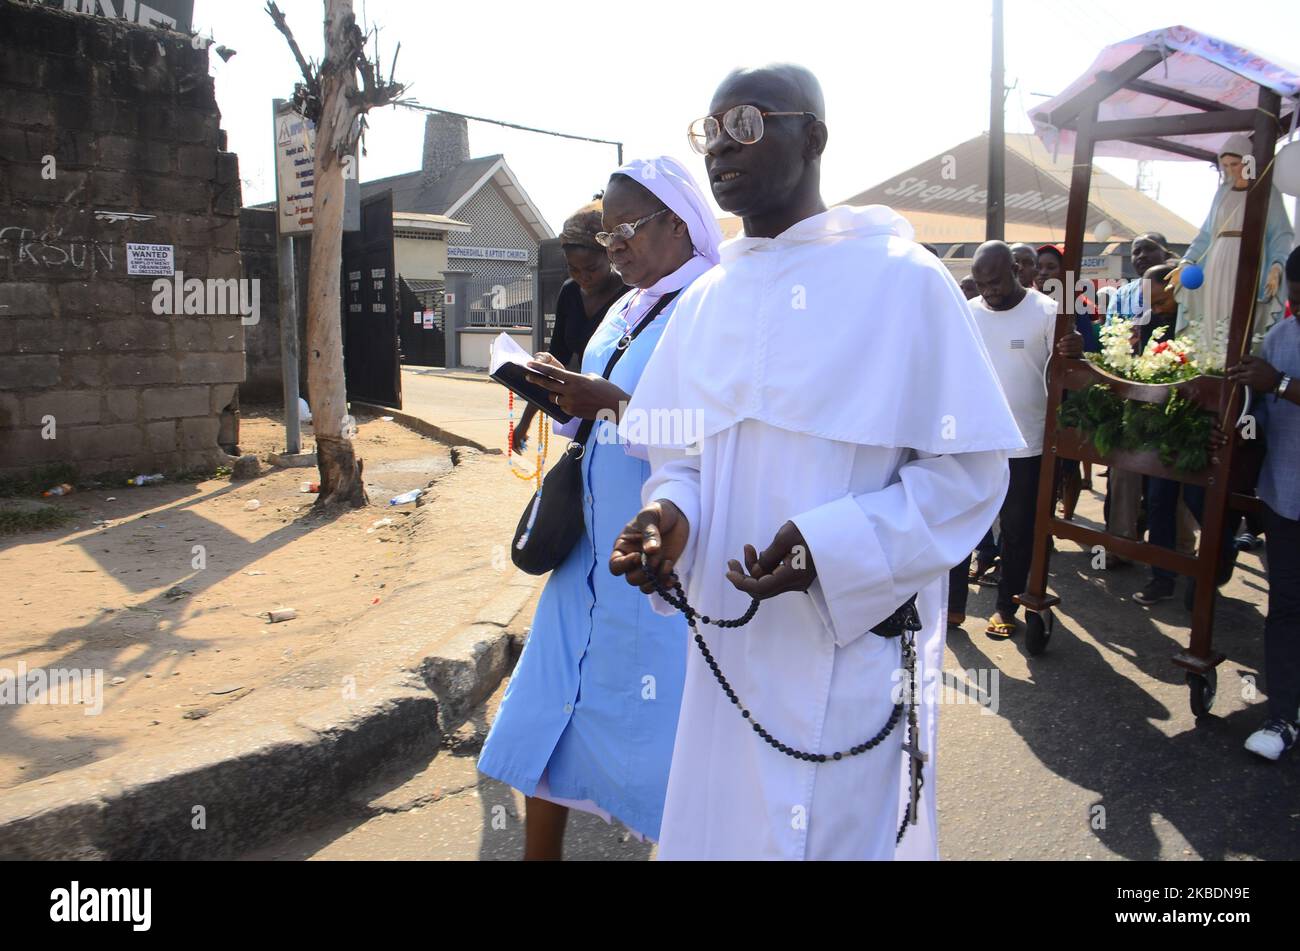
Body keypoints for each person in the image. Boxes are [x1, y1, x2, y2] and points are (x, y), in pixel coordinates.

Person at [608, 64, 1023, 860]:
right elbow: (682, 460)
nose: (721, 148)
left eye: (748, 125)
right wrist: (668, 517)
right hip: (730, 655)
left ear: (815, 138)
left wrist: (828, 548)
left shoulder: (905, 285)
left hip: (849, 646)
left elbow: (967, 478)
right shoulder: (705, 302)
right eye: (711, 131)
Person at [477, 156, 723, 856]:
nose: (613, 246)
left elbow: (713, 440)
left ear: (679, 223)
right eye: (606, 232)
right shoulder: (622, 306)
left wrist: (609, 402)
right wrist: (558, 390)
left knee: (658, 749)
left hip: (652, 559)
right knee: (547, 714)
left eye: (627, 229)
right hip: (587, 551)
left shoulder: (712, 304)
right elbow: (594, 417)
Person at [948, 241, 1058, 638]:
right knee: (962, 524)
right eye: (980, 283)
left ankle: (1006, 606)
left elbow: (1060, 375)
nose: (988, 290)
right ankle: (953, 606)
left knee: (1017, 530)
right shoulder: (969, 313)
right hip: (974, 443)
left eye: (994, 281)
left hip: (1026, 445)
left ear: (1015, 269)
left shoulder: (1046, 312)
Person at [1229, 245, 1300, 759]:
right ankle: (1282, 718)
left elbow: (1279, 387)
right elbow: (1259, 424)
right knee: (1286, 609)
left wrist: (1278, 382)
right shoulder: (1280, 337)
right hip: (1287, 498)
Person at [1169, 134, 1294, 371]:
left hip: (1247, 262)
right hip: (1217, 262)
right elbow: (1206, 235)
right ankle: (1212, 365)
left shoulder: (1266, 192)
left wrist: (1277, 266)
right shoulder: (1222, 193)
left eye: (1234, 164)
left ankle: (1235, 364)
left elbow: (1281, 234)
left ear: (1248, 162)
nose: (1230, 170)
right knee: (1213, 314)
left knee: (1240, 316)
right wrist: (1186, 261)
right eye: (1225, 165)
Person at [512, 201, 628, 453]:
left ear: (608, 255)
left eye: (591, 269)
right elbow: (555, 360)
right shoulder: (569, 293)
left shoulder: (631, 295)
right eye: (573, 268)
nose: (582, 277)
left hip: (625, 418)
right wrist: (524, 422)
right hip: (584, 415)